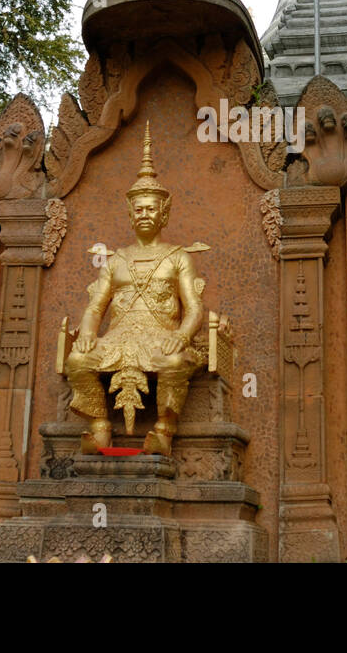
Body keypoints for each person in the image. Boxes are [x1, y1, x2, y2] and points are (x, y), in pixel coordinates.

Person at [64, 123, 204, 456]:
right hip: (118, 337)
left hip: (161, 335)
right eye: (138, 209)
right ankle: (100, 428)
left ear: (164, 212)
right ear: (130, 213)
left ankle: (164, 431)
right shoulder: (117, 259)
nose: (144, 214)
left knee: (173, 362)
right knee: (78, 358)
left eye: (150, 208)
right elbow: (97, 306)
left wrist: (182, 336)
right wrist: (86, 332)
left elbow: (194, 308)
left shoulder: (177, 257)